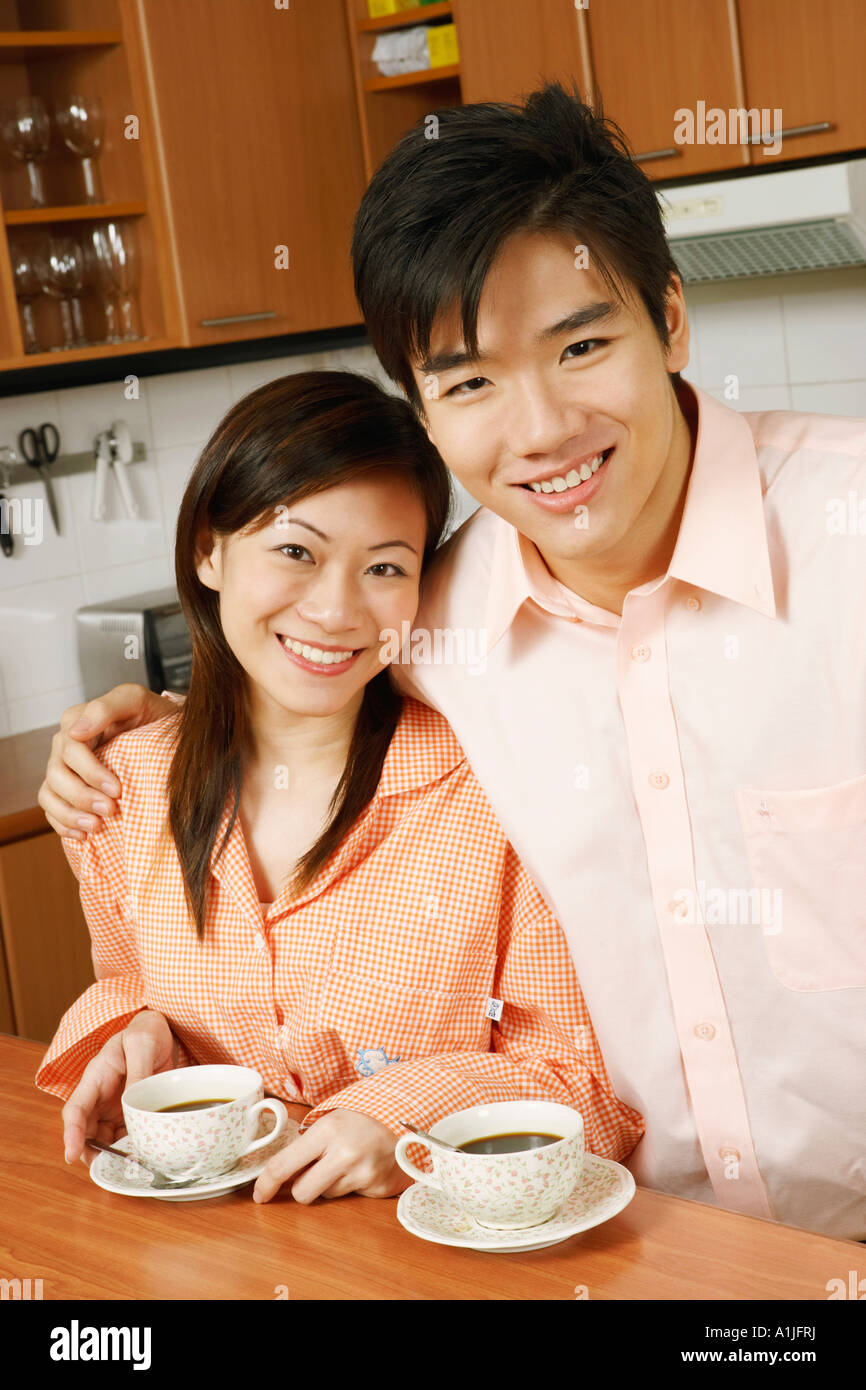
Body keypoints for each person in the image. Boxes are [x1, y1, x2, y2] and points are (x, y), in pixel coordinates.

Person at [40, 83, 865, 1238]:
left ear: (669, 319)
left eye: (580, 343)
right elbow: (301, 665)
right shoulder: (434, 615)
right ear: (421, 404)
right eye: (469, 379)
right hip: (635, 1242)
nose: (537, 430)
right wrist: (140, 723)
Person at [34, 370, 643, 1204]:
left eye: (384, 568)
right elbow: (133, 985)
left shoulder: (493, 788)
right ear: (209, 551)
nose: (335, 609)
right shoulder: (121, 787)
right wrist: (134, 1034)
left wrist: (403, 1120)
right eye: (296, 551)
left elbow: (587, 1084)